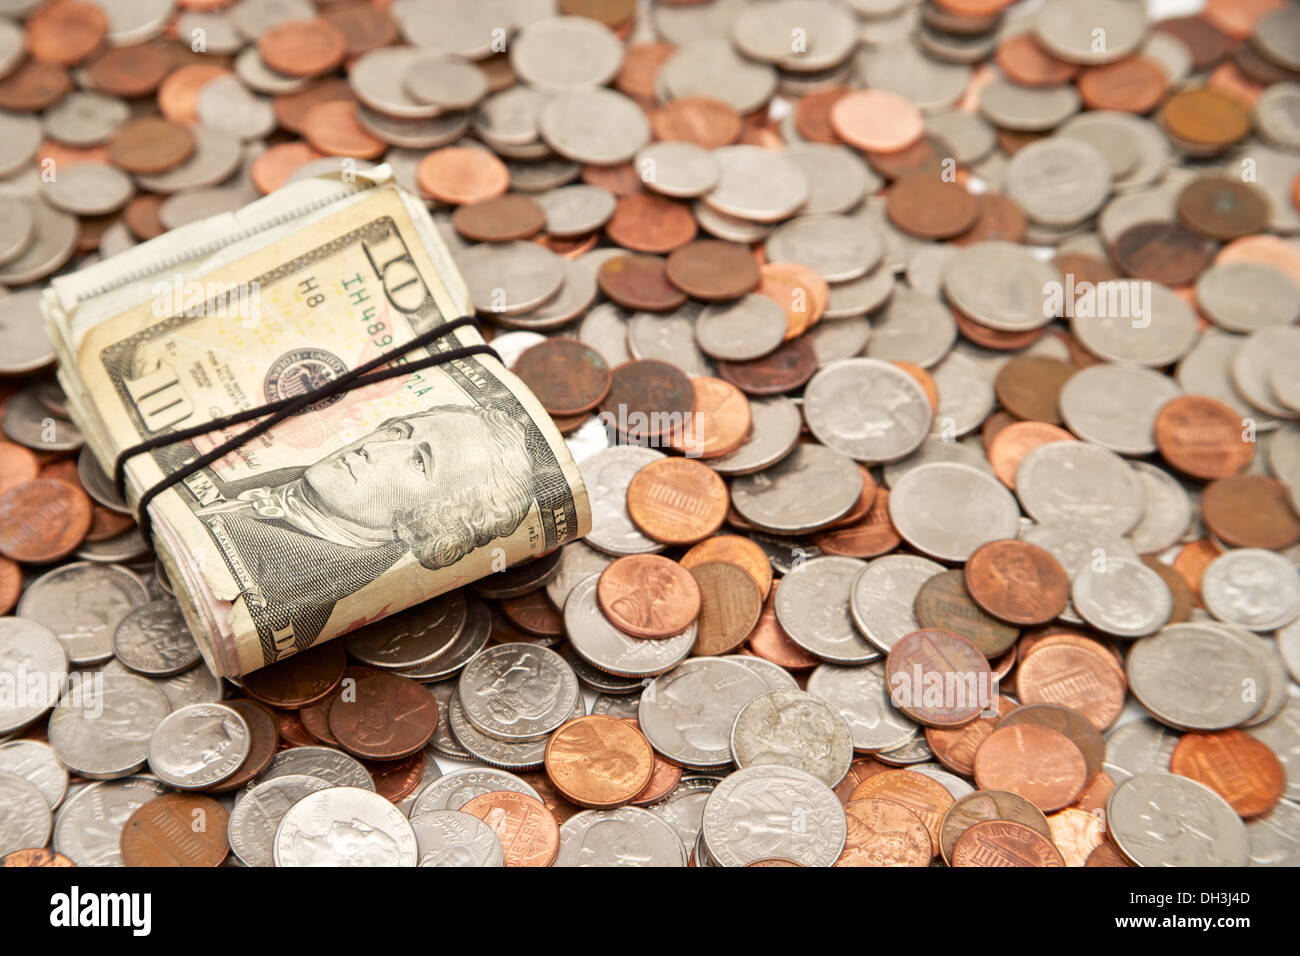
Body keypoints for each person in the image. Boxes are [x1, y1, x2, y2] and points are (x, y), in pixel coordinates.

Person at [196, 404, 535, 662]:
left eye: (419, 462)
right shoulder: (273, 492)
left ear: (434, 520)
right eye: (400, 432)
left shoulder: (281, 593)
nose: (374, 448)